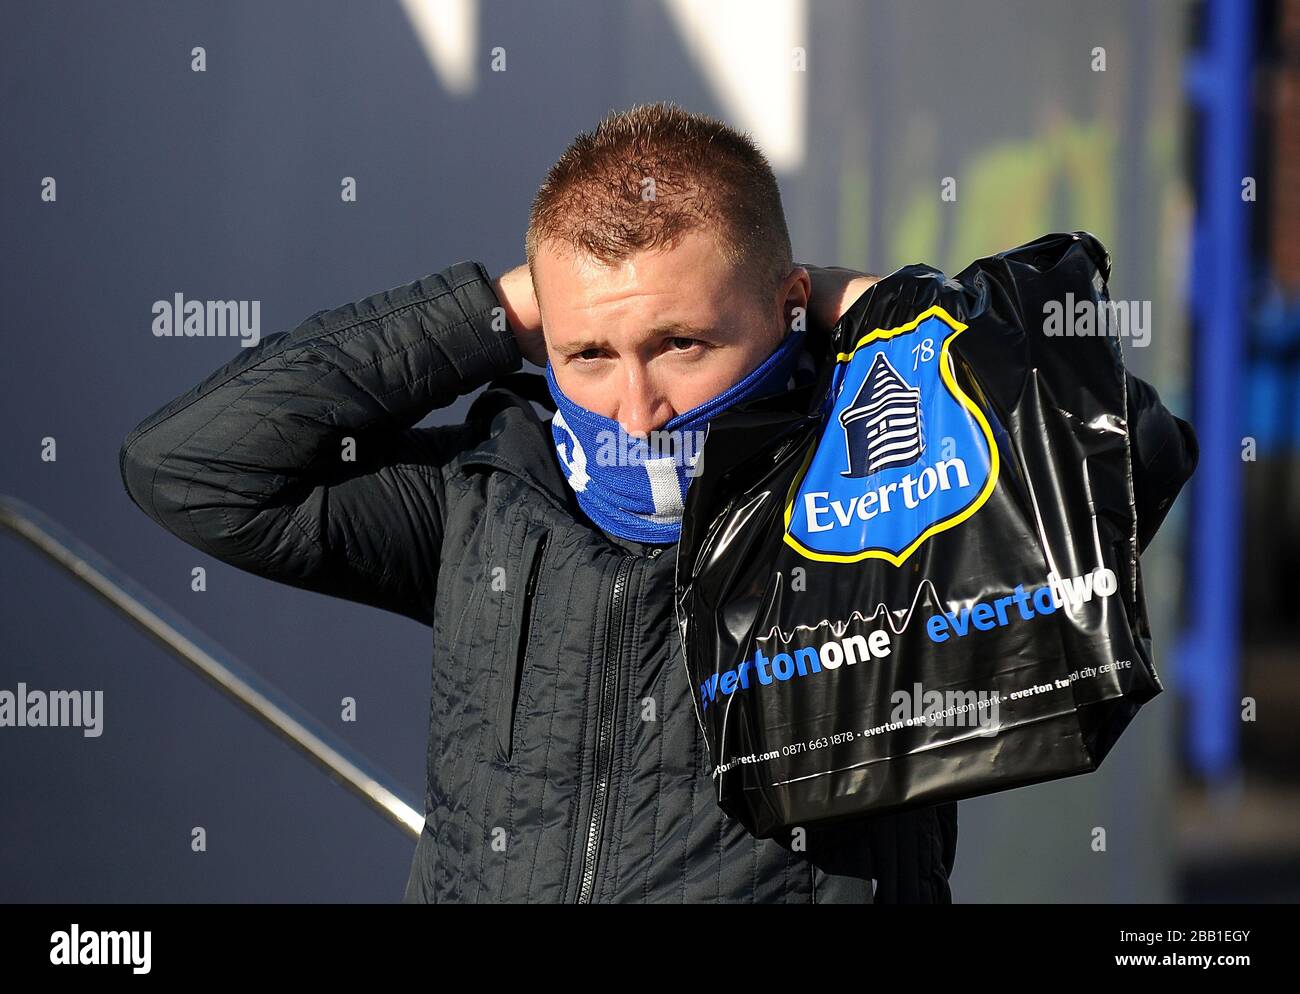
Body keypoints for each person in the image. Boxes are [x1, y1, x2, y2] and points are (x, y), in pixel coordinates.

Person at [119, 102, 1196, 903]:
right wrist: (491, 310)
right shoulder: (486, 497)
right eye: (587, 351)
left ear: (786, 311)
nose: (634, 410)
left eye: (679, 342)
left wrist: (879, 307)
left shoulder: (877, 488)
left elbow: (1130, 460)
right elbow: (192, 469)